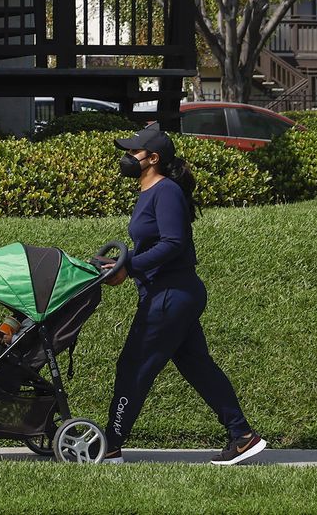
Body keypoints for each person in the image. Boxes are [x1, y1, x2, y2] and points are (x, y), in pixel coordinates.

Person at [101, 121, 266, 466]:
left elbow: (174, 244)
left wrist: (128, 266)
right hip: (169, 294)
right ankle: (242, 436)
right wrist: (120, 263)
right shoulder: (151, 191)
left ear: (153, 158)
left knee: (133, 366)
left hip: (171, 294)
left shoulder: (166, 192)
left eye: (134, 151)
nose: (128, 157)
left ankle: (111, 445)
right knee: (197, 366)